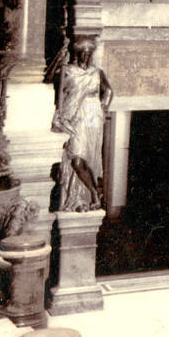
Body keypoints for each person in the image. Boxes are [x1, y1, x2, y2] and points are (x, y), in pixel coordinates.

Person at [50, 36, 113, 212]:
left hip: (92, 118)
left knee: (89, 156)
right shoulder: (67, 70)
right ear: (76, 54)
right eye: (82, 53)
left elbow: (108, 90)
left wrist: (103, 107)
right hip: (73, 117)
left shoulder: (97, 72)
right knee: (76, 159)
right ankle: (93, 192)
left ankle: (85, 197)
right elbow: (59, 95)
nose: (85, 57)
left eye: (88, 53)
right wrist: (59, 115)